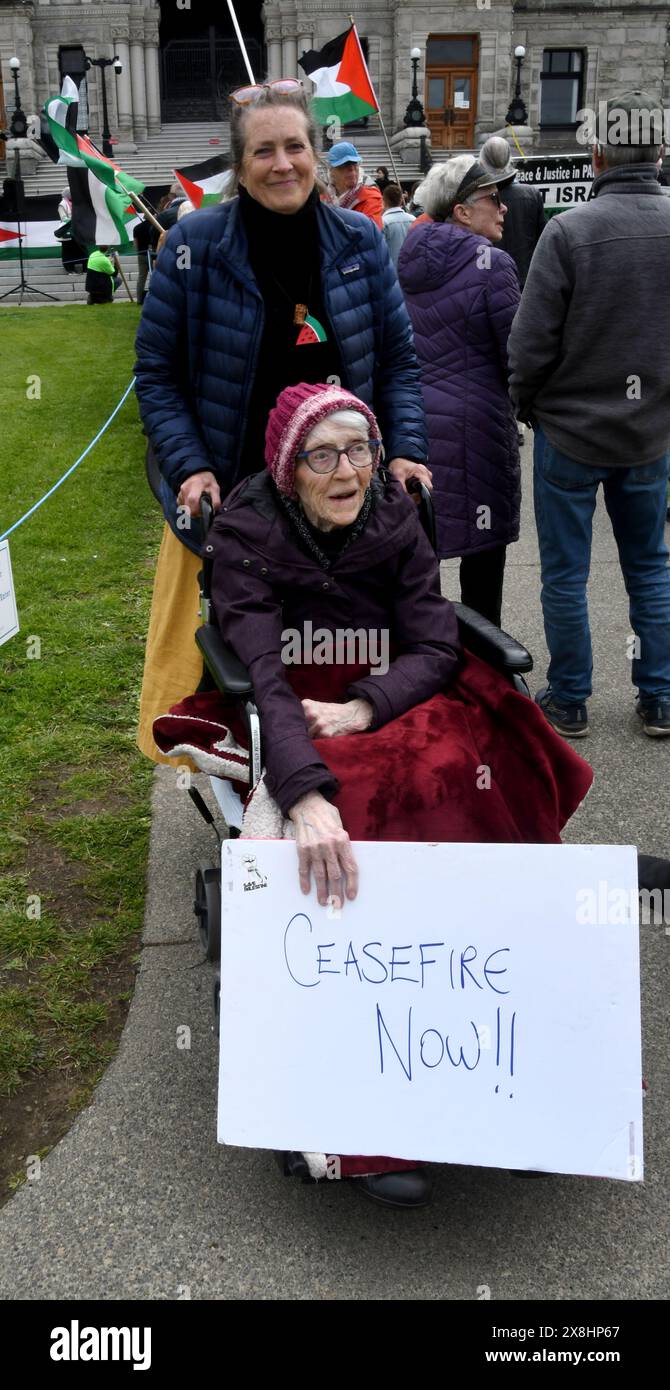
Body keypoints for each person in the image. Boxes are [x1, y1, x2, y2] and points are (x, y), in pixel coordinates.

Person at [176, 381, 593, 1208]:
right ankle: (361, 1123)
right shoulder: (248, 533)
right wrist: (302, 794)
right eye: (323, 455)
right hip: (292, 702)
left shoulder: (393, 514)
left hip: (385, 690)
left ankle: (522, 1083)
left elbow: (435, 640)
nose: (347, 471)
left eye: (359, 449)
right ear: (289, 468)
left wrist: (369, 702)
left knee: (470, 783)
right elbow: (263, 675)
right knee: (352, 819)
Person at [133, 82, 430, 765]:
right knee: (243, 649)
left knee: (341, 643)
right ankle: (242, 782)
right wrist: (191, 466)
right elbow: (157, 373)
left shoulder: (358, 238)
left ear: (316, 155)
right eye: (263, 150)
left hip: (344, 490)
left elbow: (398, 363)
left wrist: (408, 450)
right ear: (240, 166)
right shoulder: (195, 244)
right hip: (238, 497)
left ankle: (353, 770)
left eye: (294, 146)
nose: (282, 163)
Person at [508, 89, 670, 739]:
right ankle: (659, 695)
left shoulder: (569, 231)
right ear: (657, 150)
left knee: (566, 575)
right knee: (651, 566)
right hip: (648, 432)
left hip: (572, 433)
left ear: (598, 154)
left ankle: (571, 697)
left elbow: (530, 343)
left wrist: (529, 402)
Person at [398, 156, 521, 626]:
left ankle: (426, 664)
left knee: (421, 558)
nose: (504, 208)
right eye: (494, 198)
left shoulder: (406, 258)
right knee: (483, 569)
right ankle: (485, 675)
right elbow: (518, 356)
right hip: (479, 432)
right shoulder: (494, 265)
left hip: (416, 430)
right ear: (462, 211)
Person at [479, 136, 546, 288]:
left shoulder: (477, 198)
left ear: (482, 162)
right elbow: (542, 242)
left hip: (489, 280)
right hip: (524, 280)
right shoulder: (531, 194)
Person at [325, 140, 383, 227]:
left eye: (354, 163)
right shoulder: (323, 198)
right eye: (344, 165)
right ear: (331, 171)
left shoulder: (370, 197)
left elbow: (371, 235)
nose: (352, 168)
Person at [381, 183, 415, 266]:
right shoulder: (414, 220)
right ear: (401, 200)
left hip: (391, 273)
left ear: (384, 201)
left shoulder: (382, 222)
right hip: (411, 271)